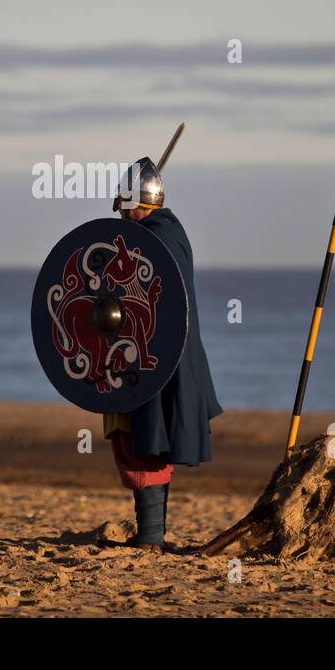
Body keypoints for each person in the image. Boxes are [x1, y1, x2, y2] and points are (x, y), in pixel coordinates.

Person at [104, 157, 222, 550]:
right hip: (155, 354)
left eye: (124, 208)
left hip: (156, 357)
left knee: (145, 441)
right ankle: (152, 533)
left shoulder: (157, 237)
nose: (122, 216)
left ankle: (152, 536)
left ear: (137, 202)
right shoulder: (165, 231)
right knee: (143, 439)